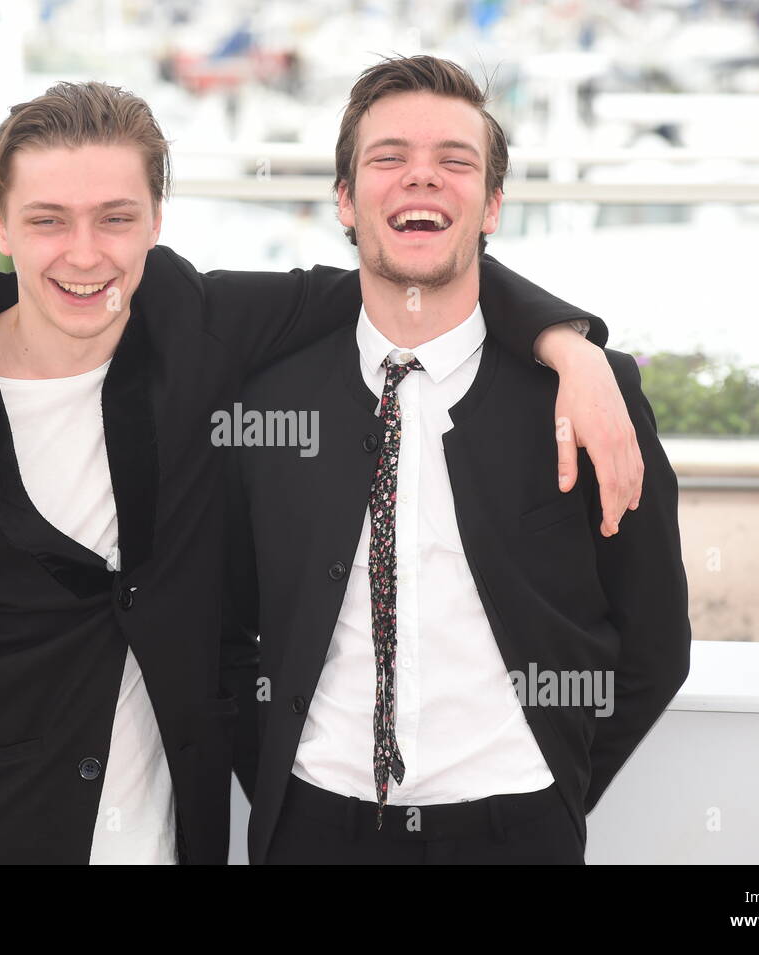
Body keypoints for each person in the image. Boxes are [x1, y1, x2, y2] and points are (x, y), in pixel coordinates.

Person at [0, 79, 641, 864]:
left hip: (160, 834)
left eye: (116, 218)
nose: (85, 255)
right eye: (48, 220)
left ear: (156, 221)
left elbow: (406, 267)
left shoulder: (202, 329)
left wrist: (569, 343)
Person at [223, 55, 691, 864]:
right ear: (344, 197)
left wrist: (553, 785)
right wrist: (281, 783)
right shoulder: (267, 398)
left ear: (492, 206)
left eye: (455, 162)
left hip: (516, 826)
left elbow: (653, 641)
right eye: (389, 158)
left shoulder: (589, 393)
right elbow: (225, 627)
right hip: (310, 826)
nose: (422, 179)